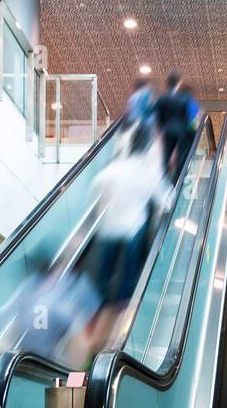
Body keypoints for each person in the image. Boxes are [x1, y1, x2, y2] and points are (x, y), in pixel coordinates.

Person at [71, 125, 169, 362]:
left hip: (107, 231)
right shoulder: (146, 173)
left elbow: (94, 196)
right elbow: (166, 199)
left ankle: (92, 334)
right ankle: (117, 339)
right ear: (145, 149)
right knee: (127, 285)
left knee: (101, 281)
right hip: (131, 232)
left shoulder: (111, 170)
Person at [155, 72, 198, 183]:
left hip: (167, 130)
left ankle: (163, 180)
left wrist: (161, 131)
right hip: (182, 131)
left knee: (166, 155)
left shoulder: (162, 98)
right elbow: (190, 118)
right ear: (179, 82)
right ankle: (178, 181)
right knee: (181, 157)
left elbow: (158, 118)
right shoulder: (185, 98)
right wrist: (194, 133)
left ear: (167, 83)